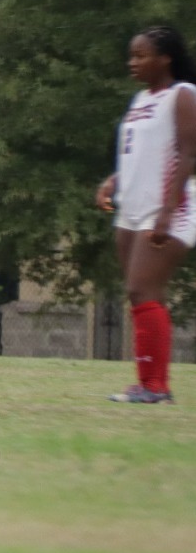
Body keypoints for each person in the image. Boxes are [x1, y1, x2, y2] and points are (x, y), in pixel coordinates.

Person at [94, 25, 196, 403]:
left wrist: (167, 210)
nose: (132, 62)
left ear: (165, 58)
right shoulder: (140, 100)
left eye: (141, 55)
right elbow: (141, 153)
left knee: (142, 288)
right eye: (131, 56)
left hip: (168, 207)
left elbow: (188, 153)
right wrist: (113, 181)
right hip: (133, 208)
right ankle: (149, 384)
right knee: (139, 295)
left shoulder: (182, 94)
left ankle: (156, 387)